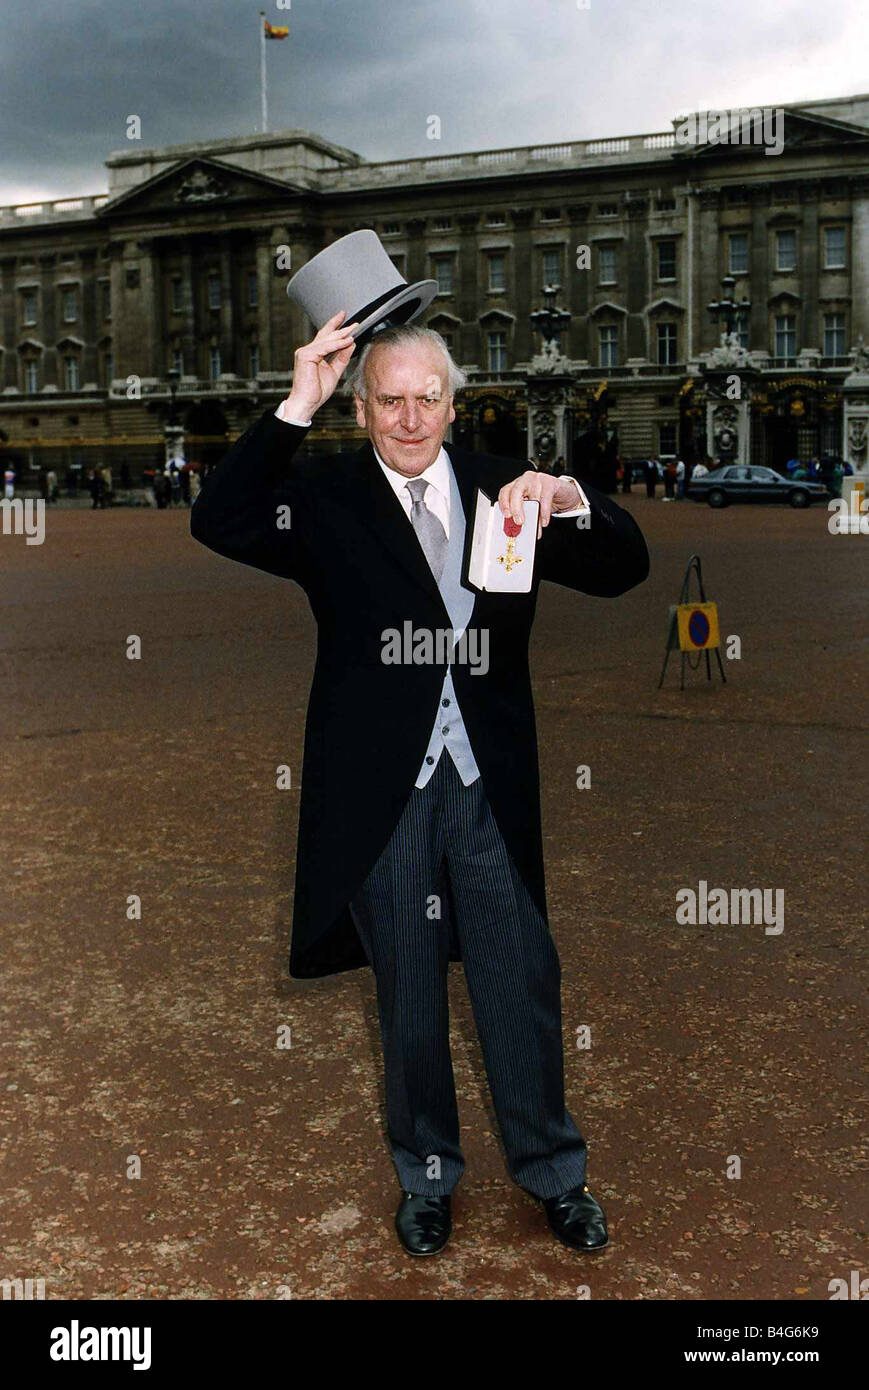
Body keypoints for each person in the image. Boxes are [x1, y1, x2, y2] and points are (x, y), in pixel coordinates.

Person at [191, 314, 649, 1258]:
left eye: (427, 398)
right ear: (360, 411)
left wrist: (569, 497)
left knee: (518, 981)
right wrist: (295, 403)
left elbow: (623, 568)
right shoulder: (321, 499)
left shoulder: (502, 490)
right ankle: (427, 1179)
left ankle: (554, 1175)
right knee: (405, 994)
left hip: (489, 785)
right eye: (389, 400)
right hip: (381, 794)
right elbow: (218, 517)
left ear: (454, 403)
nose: (410, 419)